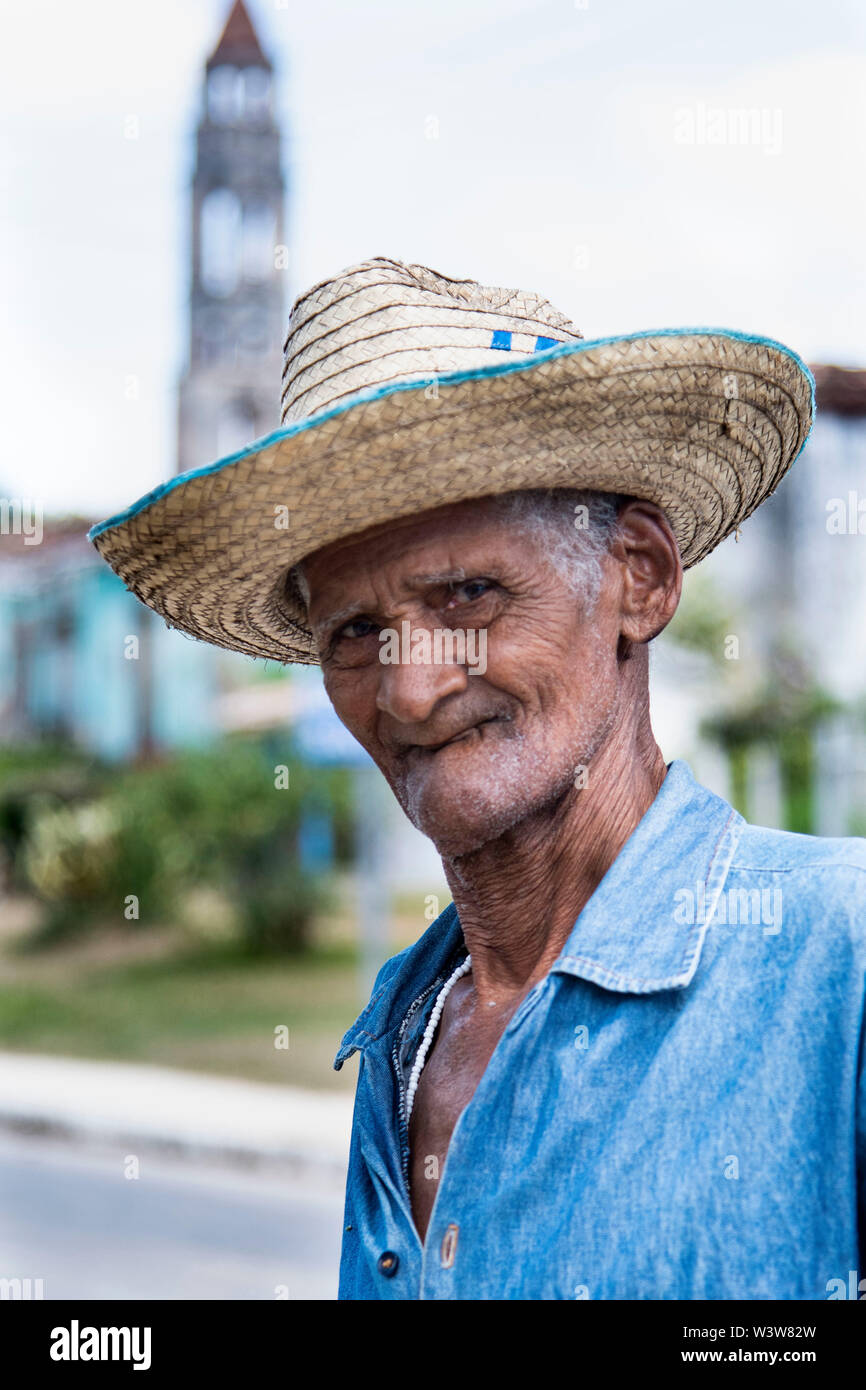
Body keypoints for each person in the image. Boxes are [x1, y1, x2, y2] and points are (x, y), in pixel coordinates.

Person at [91, 257, 866, 1300]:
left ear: (635, 575)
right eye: (355, 631)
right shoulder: (405, 1035)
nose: (408, 695)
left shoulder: (838, 962)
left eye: (467, 594)